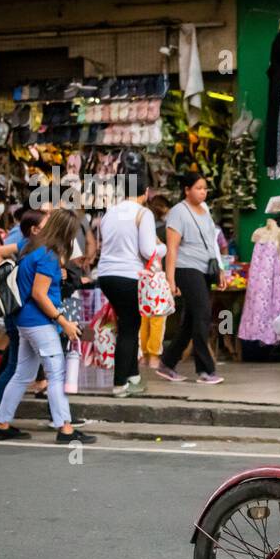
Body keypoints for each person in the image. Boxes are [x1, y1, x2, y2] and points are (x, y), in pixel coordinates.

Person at [0, 208, 96, 444]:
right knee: (56, 374)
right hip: (40, 321)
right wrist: (63, 321)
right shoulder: (48, 255)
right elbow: (39, 294)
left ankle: (1, 422)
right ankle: (65, 428)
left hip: (24, 320)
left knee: (22, 374)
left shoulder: (31, 246)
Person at [0, 208, 47, 435]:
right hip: (20, 312)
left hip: (20, 313)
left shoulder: (32, 245)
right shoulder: (27, 243)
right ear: (35, 229)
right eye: (47, 222)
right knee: (15, 368)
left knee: (16, 367)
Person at [96, 153, 157, 397]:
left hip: (106, 275)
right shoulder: (144, 214)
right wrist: (161, 248)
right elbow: (148, 250)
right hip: (128, 275)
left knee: (128, 322)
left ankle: (133, 376)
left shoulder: (110, 213)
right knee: (130, 327)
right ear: (146, 192)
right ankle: (120, 383)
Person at [158, 172, 223, 384]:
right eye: (198, 188)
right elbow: (172, 248)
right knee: (203, 313)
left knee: (190, 320)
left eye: (205, 188)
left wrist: (220, 269)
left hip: (206, 267)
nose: (203, 192)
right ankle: (205, 369)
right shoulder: (178, 212)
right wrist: (170, 279)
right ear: (187, 190)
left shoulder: (205, 211)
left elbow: (212, 242)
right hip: (186, 268)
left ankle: (167, 363)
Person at [139, 195, 172, 369]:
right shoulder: (159, 232)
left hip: (141, 280)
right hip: (156, 279)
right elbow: (155, 252)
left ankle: (144, 355)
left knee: (144, 319)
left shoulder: (136, 229)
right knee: (158, 319)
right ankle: (153, 356)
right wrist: (163, 247)